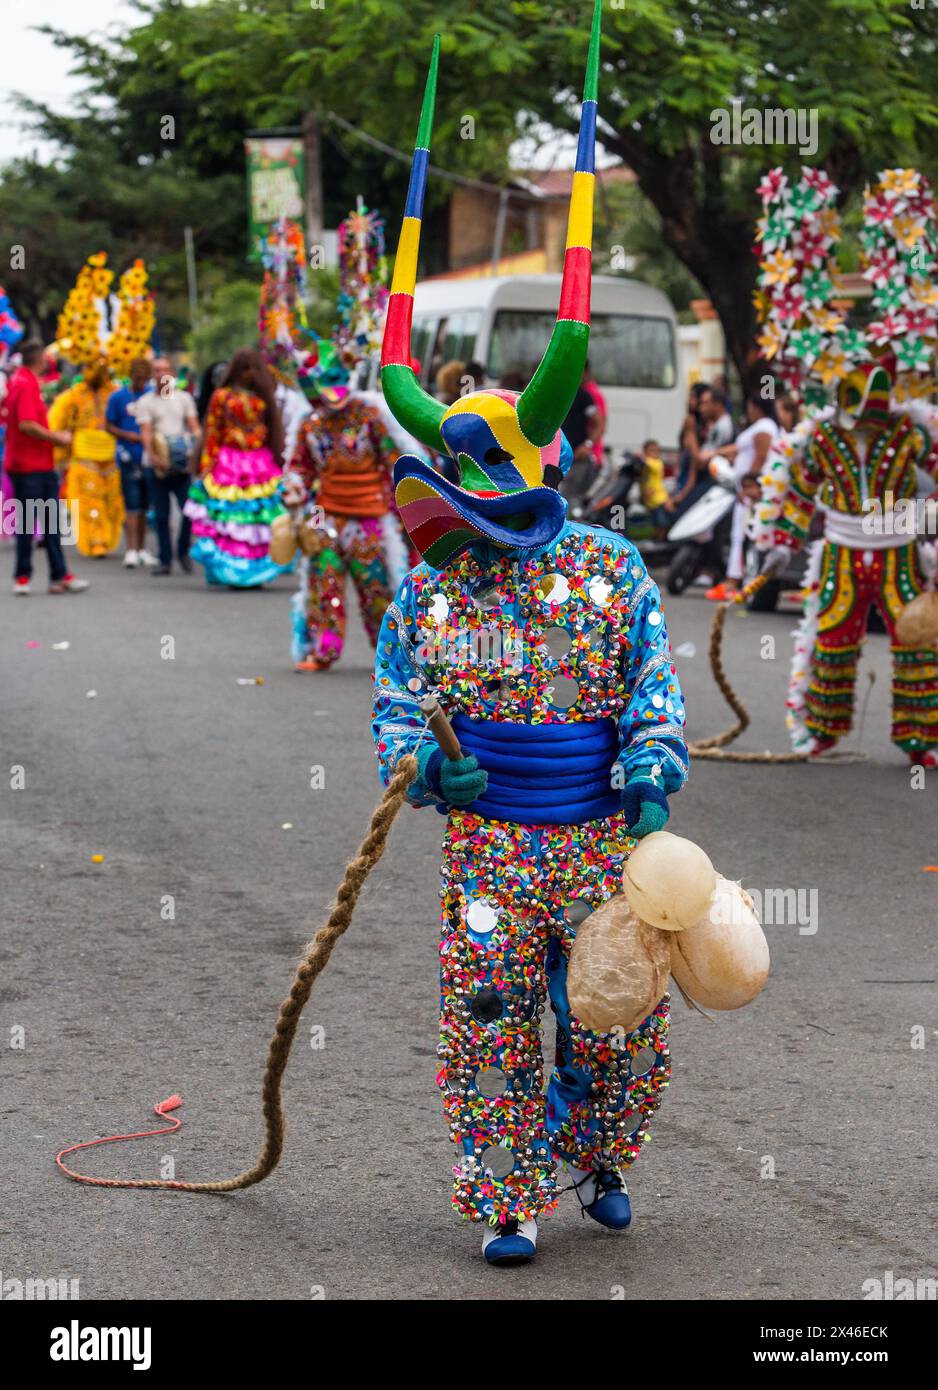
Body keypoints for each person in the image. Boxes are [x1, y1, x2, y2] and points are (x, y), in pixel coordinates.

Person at [373, 3, 688, 1268]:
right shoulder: (429, 590)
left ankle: (602, 1153)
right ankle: (506, 1195)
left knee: (616, 1016)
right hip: (490, 841)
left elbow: (651, 682)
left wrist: (652, 782)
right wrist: (420, 764)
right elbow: (398, 698)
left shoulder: (612, 566)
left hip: (604, 833)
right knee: (492, 1015)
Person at [286, 343, 408, 670]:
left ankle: (391, 654)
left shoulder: (370, 416)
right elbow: (300, 466)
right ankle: (322, 650)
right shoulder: (310, 424)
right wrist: (294, 487)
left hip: (369, 515)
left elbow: (393, 461)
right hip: (325, 513)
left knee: (376, 589)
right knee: (322, 582)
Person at [183, 349, 289, 587]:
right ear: (237, 370)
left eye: (253, 368)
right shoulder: (221, 396)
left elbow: (273, 432)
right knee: (229, 518)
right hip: (228, 462)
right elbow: (212, 430)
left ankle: (255, 570)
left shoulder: (264, 396)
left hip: (259, 463)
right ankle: (229, 568)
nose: (250, 373)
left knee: (257, 518)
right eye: (245, 368)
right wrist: (206, 465)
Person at [4, 340, 88, 595]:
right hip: (31, 466)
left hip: (33, 464)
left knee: (46, 524)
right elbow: (26, 424)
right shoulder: (26, 384)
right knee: (35, 524)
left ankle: (56, 575)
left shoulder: (22, 381)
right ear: (40, 359)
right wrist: (58, 438)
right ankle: (26, 576)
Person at [701, 392, 779, 600]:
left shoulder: (764, 428)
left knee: (742, 535)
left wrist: (749, 484)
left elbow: (762, 457)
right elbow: (738, 448)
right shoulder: (758, 428)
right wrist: (713, 454)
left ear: (755, 406)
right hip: (742, 490)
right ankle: (734, 579)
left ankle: (734, 581)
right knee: (738, 534)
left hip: (751, 492)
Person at [49, 357, 124, 559]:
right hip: (85, 457)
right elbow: (56, 424)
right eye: (91, 366)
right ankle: (95, 539)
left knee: (112, 502)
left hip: (111, 457)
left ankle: (106, 537)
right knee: (90, 501)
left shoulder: (116, 394)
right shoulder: (72, 396)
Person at [135, 357, 200, 576]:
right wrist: (152, 455)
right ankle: (165, 559)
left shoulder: (184, 399)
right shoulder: (146, 402)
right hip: (157, 465)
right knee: (161, 516)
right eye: (156, 370)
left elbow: (194, 428)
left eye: (164, 369)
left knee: (188, 512)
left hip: (181, 465)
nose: (161, 373)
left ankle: (183, 551)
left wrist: (197, 452)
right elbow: (145, 432)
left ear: (172, 373)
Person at [106, 356, 158, 568]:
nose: (140, 381)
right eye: (137, 377)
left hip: (149, 456)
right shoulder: (118, 397)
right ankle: (130, 549)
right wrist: (129, 436)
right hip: (128, 456)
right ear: (130, 376)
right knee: (131, 504)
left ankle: (143, 549)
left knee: (145, 505)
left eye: (143, 377)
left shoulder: (153, 396)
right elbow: (109, 425)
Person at [558, 366, 601, 512]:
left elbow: (599, 423)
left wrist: (587, 445)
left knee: (571, 497)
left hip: (576, 456)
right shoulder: (553, 393)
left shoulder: (583, 396)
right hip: (553, 455)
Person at [639, 438, 670, 535]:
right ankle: (656, 538)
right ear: (645, 451)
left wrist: (643, 458)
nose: (655, 453)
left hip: (659, 497)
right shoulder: (646, 464)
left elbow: (651, 465)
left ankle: (661, 539)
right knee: (653, 521)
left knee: (661, 521)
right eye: (652, 451)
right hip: (651, 498)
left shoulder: (657, 463)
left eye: (657, 451)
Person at [582, 358, 607, 467]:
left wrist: (588, 445)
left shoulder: (592, 394)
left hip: (587, 456)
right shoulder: (582, 391)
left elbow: (601, 425)